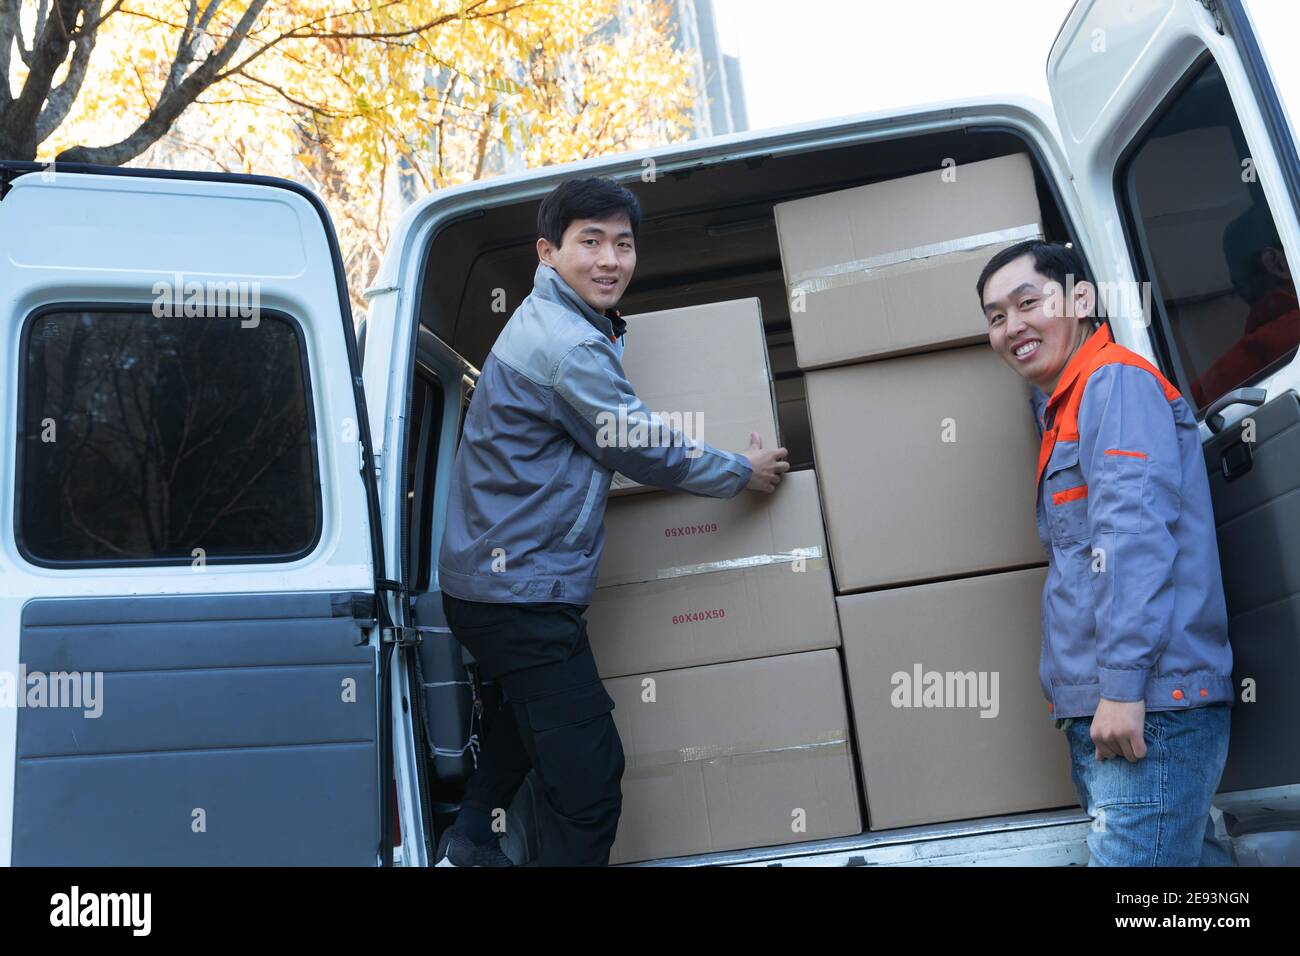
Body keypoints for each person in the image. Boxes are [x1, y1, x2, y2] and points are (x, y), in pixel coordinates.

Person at [434, 176, 789, 866]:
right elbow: (639, 446)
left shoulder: (563, 326)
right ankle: (473, 843)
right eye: (589, 242)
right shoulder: (568, 344)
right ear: (548, 252)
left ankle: (471, 841)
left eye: (622, 244)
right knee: (591, 782)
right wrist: (740, 474)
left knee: (533, 716)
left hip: (499, 587)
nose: (610, 260)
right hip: (519, 596)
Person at [977, 239, 1235, 866]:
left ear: (1081, 299)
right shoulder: (1067, 404)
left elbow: (1132, 542)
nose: (1013, 327)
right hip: (1108, 706)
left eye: (1026, 302)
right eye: (995, 317)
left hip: (1147, 706)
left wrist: (1120, 690)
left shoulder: (1112, 382)